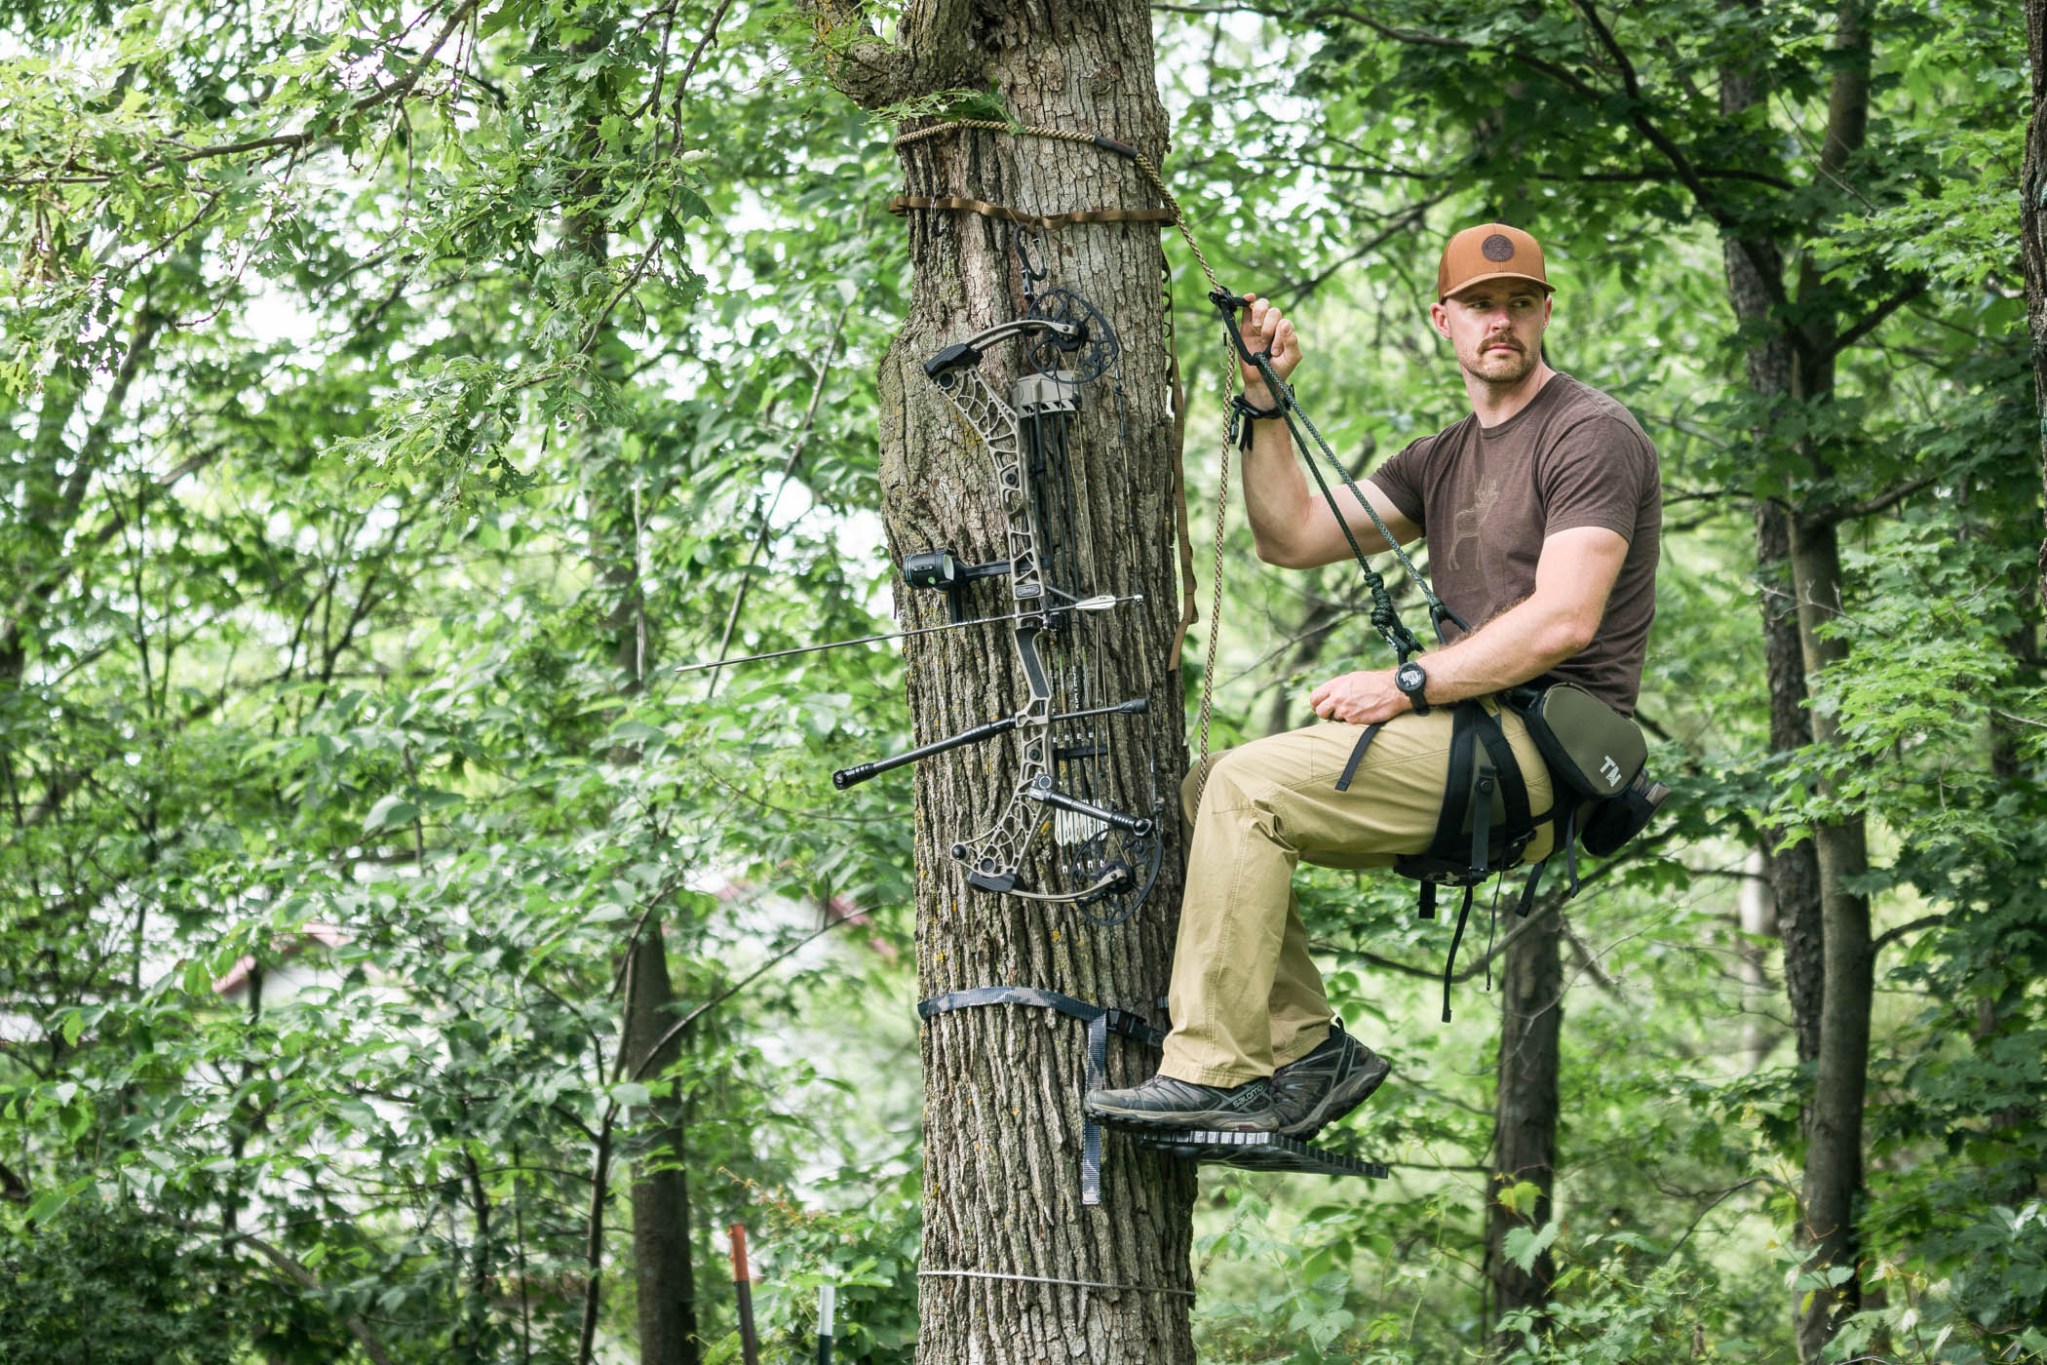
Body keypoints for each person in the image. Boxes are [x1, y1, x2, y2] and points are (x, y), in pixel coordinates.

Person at [1085, 223, 1662, 1137]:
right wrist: (1264, 402)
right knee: (1213, 789)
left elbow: (1564, 618)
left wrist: (1408, 681)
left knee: (1243, 786)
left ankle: (1212, 1070)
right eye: (1478, 305)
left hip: (1541, 746)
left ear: (1545, 311)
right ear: (1444, 319)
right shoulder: (1440, 460)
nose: (1499, 321)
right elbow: (1292, 534)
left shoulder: (1590, 434)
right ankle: (1308, 1051)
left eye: (1518, 302)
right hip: (1471, 735)